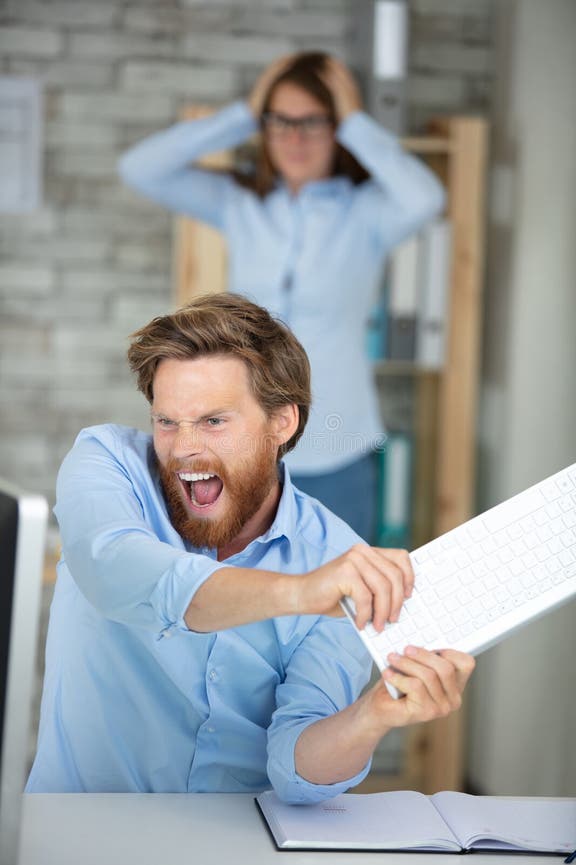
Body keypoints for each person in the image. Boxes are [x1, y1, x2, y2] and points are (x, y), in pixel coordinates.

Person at [27, 294, 474, 801]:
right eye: (166, 421)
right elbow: (122, 575)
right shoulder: (107, 465)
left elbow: (296, 771)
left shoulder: (335, 557)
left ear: (281, 423)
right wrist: (300, 594)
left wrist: (374, 715)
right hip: (78, 832)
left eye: (214, 421)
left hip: (236, 843)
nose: (183, 448)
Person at [118, 52, 445, 542]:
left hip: (339, 443)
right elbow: (140, 167)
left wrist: (356, 120)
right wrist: (246, 113)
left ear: (337, 128)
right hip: (243, 445)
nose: (295, 137)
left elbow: (427, 197)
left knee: (342, 603)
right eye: (280, 121)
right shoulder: (241, 204)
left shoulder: (368, 212)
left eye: (313, 122)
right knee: (240, 597)